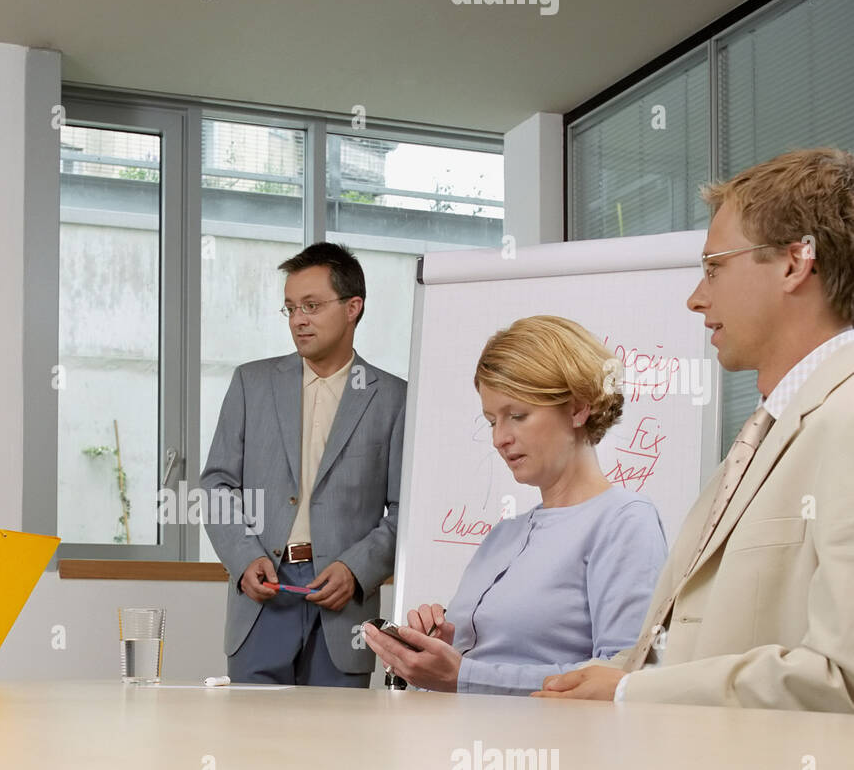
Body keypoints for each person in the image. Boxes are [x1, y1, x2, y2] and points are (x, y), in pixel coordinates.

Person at [537, 146, 854, 710]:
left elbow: (841, 677)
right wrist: (608, 679)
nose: (695, 298)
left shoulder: (845, 417)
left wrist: (633, 690)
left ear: (794, 262)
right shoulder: (771, 425)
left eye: (715, 267)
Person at [364, 315, 667, 693]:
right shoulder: (503, 535)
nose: (499, 439)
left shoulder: (624, 522)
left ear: (577, 408)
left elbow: (623, 677)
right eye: (492, 421)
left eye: (517, 416)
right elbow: (481, 666)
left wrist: (463, 676)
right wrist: (441, 650)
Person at [201, 242, 406, 687]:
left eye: (311, 306)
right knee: (253, 748)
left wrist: (356, 570)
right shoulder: (250, 384)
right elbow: (216, 487)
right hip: (262, 595)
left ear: (353, 307)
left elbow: (404, 509)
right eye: (291, 308)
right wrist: (244, 557)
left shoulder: (394, 399)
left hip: (342, 606)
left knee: (333, 751)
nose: (298, 319)